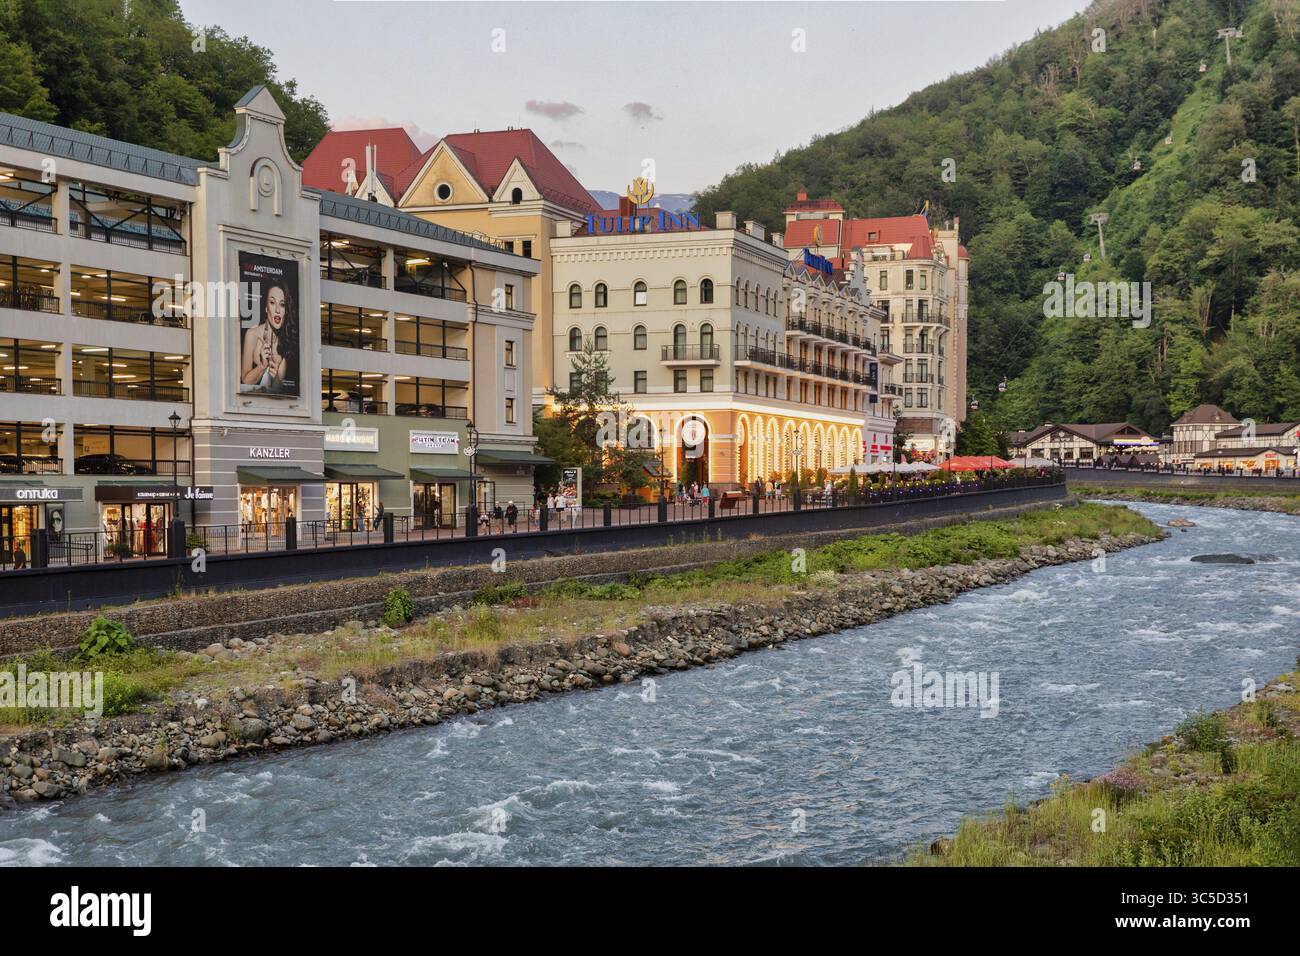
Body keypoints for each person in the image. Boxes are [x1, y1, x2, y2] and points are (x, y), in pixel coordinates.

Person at [240, 280, 292, 393]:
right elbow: (245, 381)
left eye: (282, 304)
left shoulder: (286, 343)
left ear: (286, 311)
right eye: (272, 302)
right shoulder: (252, 334)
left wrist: (277, 378)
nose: (277, 310)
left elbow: (280, 391)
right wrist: (263, 366)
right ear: (266, 307)